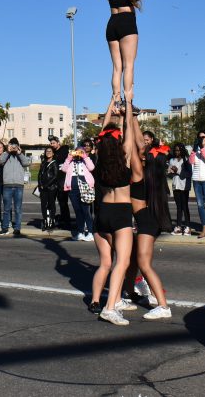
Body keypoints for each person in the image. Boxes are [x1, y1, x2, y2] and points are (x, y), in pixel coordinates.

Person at [77, 0, 167, 112]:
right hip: (127, 22)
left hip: (111, 23)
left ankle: (116, 99)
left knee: (117, 67)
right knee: (129, 64)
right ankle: (128, 100)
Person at [88, 102, 139, 325]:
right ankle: (109, 307)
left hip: (103, 213)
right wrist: (126, 107)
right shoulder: (124, 156)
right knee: (122, 262)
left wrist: (111, 106)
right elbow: (128, 129)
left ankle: (115, 301)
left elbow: (103, 135)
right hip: (120, 214)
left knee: (110, 261)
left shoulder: (100, 161)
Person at [127, 113, 173, 319]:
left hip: (146, 221)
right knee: (134, 261)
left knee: (143, 263)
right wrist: (134, 118)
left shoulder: (139, 173)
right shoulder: (155, 177)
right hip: (149, 219)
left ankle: (163, 305)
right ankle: (129, 292)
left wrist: (130, 118)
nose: (141, 150)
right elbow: (140, 143)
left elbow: (135, 143)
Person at [0, 138, 30, 236]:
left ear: (18, 146)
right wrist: (7, 151)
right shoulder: (5, 155)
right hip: (7, 185)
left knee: (18, 208)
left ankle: (17, 228)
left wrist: (19, 153)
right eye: (12, 145)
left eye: (15, 145)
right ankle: (5, 228)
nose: (13, 148)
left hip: (19, 185)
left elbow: (26, 163)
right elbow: (0, 162)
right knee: (6, 208)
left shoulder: (21, 156)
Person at [62, 145, 95, 240]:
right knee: (78, 211)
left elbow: (92, 168)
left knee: (86, 211)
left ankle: (90, 232)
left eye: (81, 152)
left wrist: (85, 156)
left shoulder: (86, 161)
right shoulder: (71, 162)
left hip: (85, 188)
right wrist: (69, 158)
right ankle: (80, 232)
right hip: (73, 189)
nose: (78, 153)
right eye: (77, 151)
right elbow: (64, 169)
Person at [48, 135, 72, 229]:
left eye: (54, 143)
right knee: (53, 202)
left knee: (63, 202)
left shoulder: (63, 150)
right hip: (54, 180)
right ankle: (54, 220)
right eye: (51, 143)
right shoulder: (52, 152)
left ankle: (66, 221)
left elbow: (60, 159)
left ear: (58, 143)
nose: (52, 145)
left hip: (62, 180)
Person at [168, 143, 191, 235]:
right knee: (178, 207)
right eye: (175, 150)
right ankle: (178, 226)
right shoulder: (171, 160)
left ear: (182, 150)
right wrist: (170, 172)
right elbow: (170, 175)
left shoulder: (186, 160)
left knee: (184, 206)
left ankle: (187, 227)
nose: (177, 152)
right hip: (175, 186)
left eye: (178, 150)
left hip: (184, 186)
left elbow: (189, 173)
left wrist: (178, 171)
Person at [37, 146, 61, 232]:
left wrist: (46, 185)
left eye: (50, 151)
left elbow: (55, 176)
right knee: (43, 205)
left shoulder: (55, 163)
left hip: (52, 188)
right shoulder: (43, 162)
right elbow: (39, 175)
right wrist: (40, 184)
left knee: (51, 205)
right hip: (43, 188)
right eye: (47, 151)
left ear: (53, 153)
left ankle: (51, 222)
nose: (48, 153)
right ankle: (45, 221)